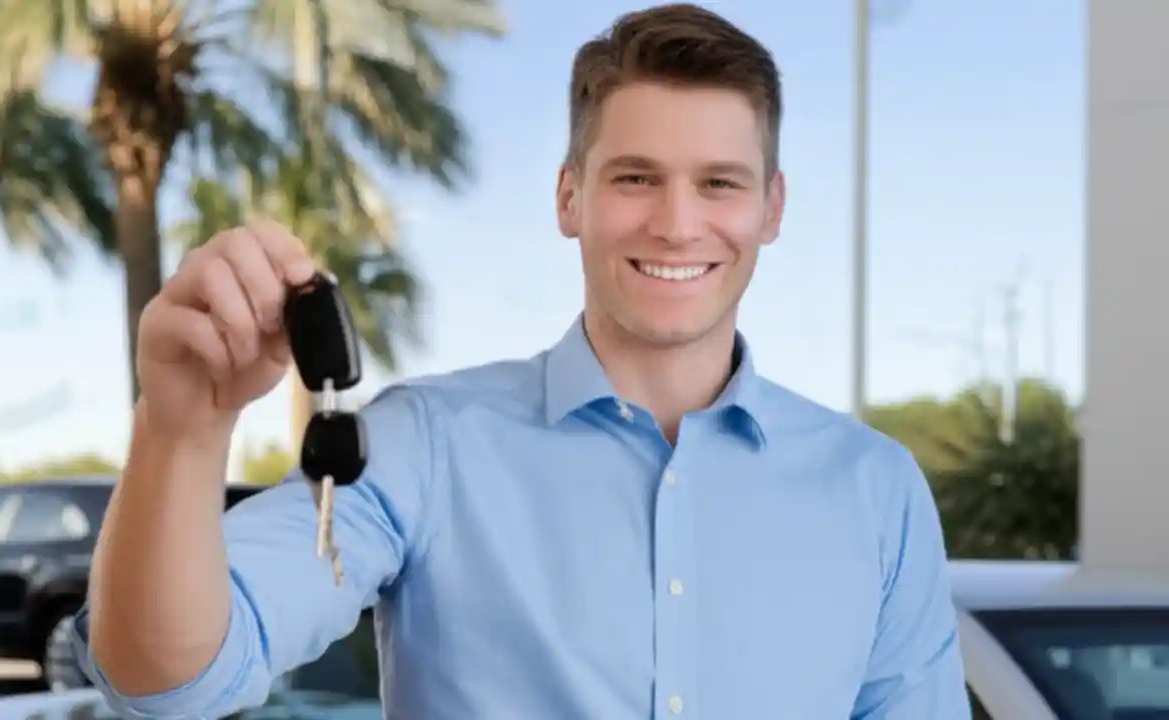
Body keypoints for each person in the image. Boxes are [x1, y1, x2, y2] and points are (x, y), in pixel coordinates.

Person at [73, 3, 971, 718]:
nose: (677, 222)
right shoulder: (425, 448)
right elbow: (169, 682)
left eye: (719, 183)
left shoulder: (877, 492)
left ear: (771, 209)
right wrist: (180, 431)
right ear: (569, 196)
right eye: (635, 177)